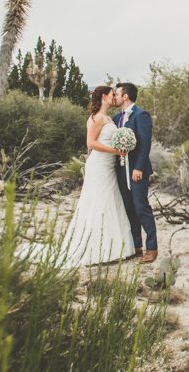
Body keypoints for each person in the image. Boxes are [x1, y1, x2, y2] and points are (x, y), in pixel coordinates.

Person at [58, 86, 136, 267]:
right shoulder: (96, 118)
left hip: (109, 165)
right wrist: (116, 151)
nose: (115, 97)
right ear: (104, 96)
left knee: (111, 199)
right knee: (99, 200)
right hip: (99, 164)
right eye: (112, 94)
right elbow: (91, 143)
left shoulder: (109, 118)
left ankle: (116, 247)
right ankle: (97, 248)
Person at [113, 82, 158, 264]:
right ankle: (136, 246)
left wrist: (138, 167)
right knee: (129, 208)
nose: (115, 96)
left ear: (125, 96)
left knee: (141, 207)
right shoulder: (117, 118)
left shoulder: (141, 115)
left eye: (117, 93)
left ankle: (152, 248)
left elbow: (145, 143)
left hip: (136, 171)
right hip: (121, 170)